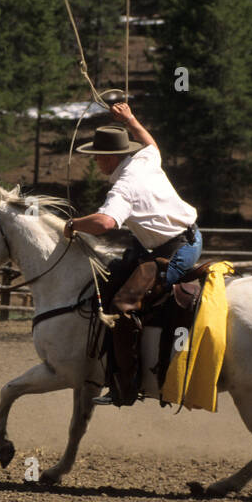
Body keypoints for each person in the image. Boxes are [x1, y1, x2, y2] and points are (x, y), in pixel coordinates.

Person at [63, 103, 202, 405]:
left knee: (123, 303)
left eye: (98, 156)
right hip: (178, 239)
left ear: (112, 157)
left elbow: (105, 222)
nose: (95, 161)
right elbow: (151, 142)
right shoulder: (143, 159)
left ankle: (126, 384)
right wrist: (130, 119)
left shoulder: (124, 187)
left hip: (175, 249)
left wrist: (72, 224)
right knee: (116, 273)